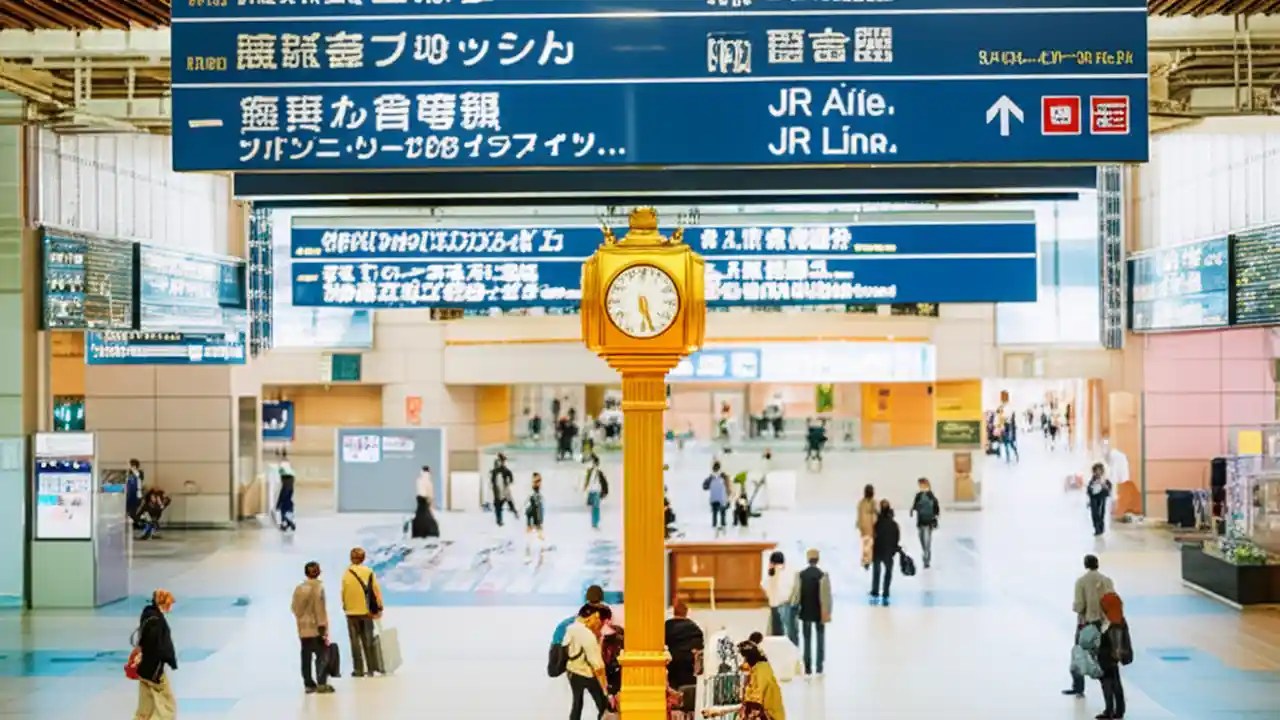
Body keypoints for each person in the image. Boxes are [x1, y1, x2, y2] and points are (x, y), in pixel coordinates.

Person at [1065, 554, 1115, 697]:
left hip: (1086, 624)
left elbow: (1079, 606)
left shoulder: (1081, 582)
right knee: (1104, 657)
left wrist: (1077, 608)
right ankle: (1110, 688)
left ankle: (1078, 687)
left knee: (1078, 654)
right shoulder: (1107, 581)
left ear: (1086, 565)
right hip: (1103, 624)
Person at [705, 640, 786, 720]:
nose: (734, 661)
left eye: (736, 657)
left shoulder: (760, 674)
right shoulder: (759, 669)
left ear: (745, 657)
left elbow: (753, 707)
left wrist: (721, 710)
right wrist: (720, 711)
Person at [134, 589, 178, 720]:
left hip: (143, 669)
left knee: (145, 709)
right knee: (167, 707)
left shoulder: (148, 614)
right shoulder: (157, 621)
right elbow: (159, 647)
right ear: (164, 603)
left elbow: (144, 640)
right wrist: (169, 660)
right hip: (154, 670)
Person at [291, 561, 334, 694]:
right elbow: (319, 608)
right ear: (318, 572)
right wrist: (322, 627)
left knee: (306, 656)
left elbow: (294, 608)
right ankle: (321, 682)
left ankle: (308, 683)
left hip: (303, 628)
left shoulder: (299, 588)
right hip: (315, 627)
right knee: (322, 655)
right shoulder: (318, 588)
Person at [340, 547, 384, 677]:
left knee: (354, 642)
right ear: (363, 558)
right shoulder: (368, 572)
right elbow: (375, 590)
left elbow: (343, 592)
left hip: (351, 612)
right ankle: (371, 668)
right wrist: (380, 607)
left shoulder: (346, 573)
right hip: (366, 611)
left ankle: (358, 669)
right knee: (368, 640)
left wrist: (345, 605)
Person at [789, 548, 831, 677]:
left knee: (806, 640)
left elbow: (796, 594)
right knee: (820, 639)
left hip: (805, 611)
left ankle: (807, 667)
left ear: (808, 559)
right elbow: (827, 597)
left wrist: (793, 606)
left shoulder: (801, 575)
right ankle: (819, 667)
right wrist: (828, 612)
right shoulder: (823, 575)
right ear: (817, 559)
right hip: (819, 612)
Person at [564, 603, 610, 720]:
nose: (600, 626)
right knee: (603, 705)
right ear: (595, 616)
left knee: (577, 704)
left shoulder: (570, 628)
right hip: (586, 673)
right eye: (602, 622)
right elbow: (598, 666)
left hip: (572, 672)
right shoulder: (587, 634)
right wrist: (605, 690)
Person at [1097, 592, 1133, 719]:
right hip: (1109, 658)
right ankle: (1118, 710)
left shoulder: (1114, 623)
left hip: (1108, 658)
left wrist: (1114, 654)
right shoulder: (1118, 619)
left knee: (1109, 684)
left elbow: (1115, 644)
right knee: (1115, 683)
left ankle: (1110, 710)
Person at [664, 599, 704, 691]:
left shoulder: (666, 626)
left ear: (674, 611)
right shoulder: (694, 628)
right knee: (687, 693)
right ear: (686, 612)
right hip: (688, 666)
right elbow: (698, 651)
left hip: (671, 665)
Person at [871, 499, 902, 603]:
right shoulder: (894, 525)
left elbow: (872, 536)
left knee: (876, 571)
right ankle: (886, 591)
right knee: (888, 572)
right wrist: (894, 549)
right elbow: (897, 538)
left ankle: (875, 590)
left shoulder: (877, 524)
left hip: (877, 550)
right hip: (888, 552)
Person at [764, 551, 797, 643]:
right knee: (787, 633)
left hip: (776, 605)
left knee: (777, 634)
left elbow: (766, 587)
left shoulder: (773, 573)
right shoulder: (787, 572)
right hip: (785, 604)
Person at [910, 478, 941, 569]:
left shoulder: (930, 495)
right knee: (922, 540)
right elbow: (915, 506)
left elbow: (936, 507)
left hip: (928, 522)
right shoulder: (919, 495)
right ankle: (926, 554)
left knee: (926, 541)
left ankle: (926, 559)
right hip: (921, 522)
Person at [411, 465, 440, 539]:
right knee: (427, 516)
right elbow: (429, 492)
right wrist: (431, 501)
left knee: (419, 515)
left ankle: (417, 532)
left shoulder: (418, 480)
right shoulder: (428, 481)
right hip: (425, 498)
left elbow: (419, 490)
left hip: (419, 498)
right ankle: (430, 532)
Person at [1087, 462, 1113, 536]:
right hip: (1094, 498)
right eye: (1096, 471)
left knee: (1101, 513)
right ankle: (1097, 529)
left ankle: (1101, 528)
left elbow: (1109, 488)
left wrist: (1104, 486)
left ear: (1102, 471)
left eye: (1099, 470)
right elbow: (1088, 490)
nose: (1098, 472)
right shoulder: (1092, 481)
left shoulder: (1105, 480)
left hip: (1102, 497)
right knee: (1094, 514)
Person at [490, 454, 516, 526]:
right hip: (499, 489)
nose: (502, 462)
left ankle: (512, 510)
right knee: (500, 503)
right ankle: (500, 519)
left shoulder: (503, 470)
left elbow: (510, 476)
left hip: (502, 488)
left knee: (504, 501)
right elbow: (493, 480)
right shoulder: (498, 470)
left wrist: (509, 481)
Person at [856, 484, 878, 569]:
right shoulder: (872, 502)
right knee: (868, 545)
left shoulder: (862, 502)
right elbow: (874, 515)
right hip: (869, 527)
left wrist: (859, 525)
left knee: (866, 545)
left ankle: (866, 560)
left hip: (865, 528)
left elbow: (859, 515)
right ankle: (867, 561)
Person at [525, 473, 545, 561]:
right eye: (537, 481)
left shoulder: (537, 492)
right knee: (535, 526)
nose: (539, 483)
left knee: (538, 526)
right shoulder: (533, 492)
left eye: (539, 481)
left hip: (535, 509)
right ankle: (530, 543)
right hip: (532, 509)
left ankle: (538, 542)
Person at [705, 461, 729, 532]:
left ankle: (714, 537)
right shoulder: (724, 476)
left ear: (713, 468)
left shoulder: (710, 477)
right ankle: (724, 536)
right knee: (723, 521)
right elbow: (728, 487)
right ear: (720, 467)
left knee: (715, 520)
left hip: (714, 500)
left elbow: (704, 487)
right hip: (722, 500)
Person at [583, 458, 605, 530]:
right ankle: (594, 522)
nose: (594, 465)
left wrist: (604, 491)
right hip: (591, 491)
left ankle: (595, 522)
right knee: (593, 507)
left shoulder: (599, 473)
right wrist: (585, 487)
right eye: (594, 463)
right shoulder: (590, 471)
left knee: (596, 507)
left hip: (596, 491)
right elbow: (587, 480)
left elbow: (603, 482)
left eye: (596, 464)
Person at [276, 467, 297, 532]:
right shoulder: (290, 484)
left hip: (285, 503)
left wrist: (278, 504)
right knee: (289, 511)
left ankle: (285, 524)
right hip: (289, 502)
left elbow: (282, 496)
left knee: (283, 511)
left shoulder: (285, 486)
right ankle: (290, 522)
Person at [126, 459, 144, 527]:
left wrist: (133, 469)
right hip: (129, 494)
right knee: (128, 510)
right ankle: (136, 522)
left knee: (133, 511)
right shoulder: (129, 473)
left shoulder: (140, 473)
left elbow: (139, 476)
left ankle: (141, 522)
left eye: (130, 465)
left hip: (136, 494)